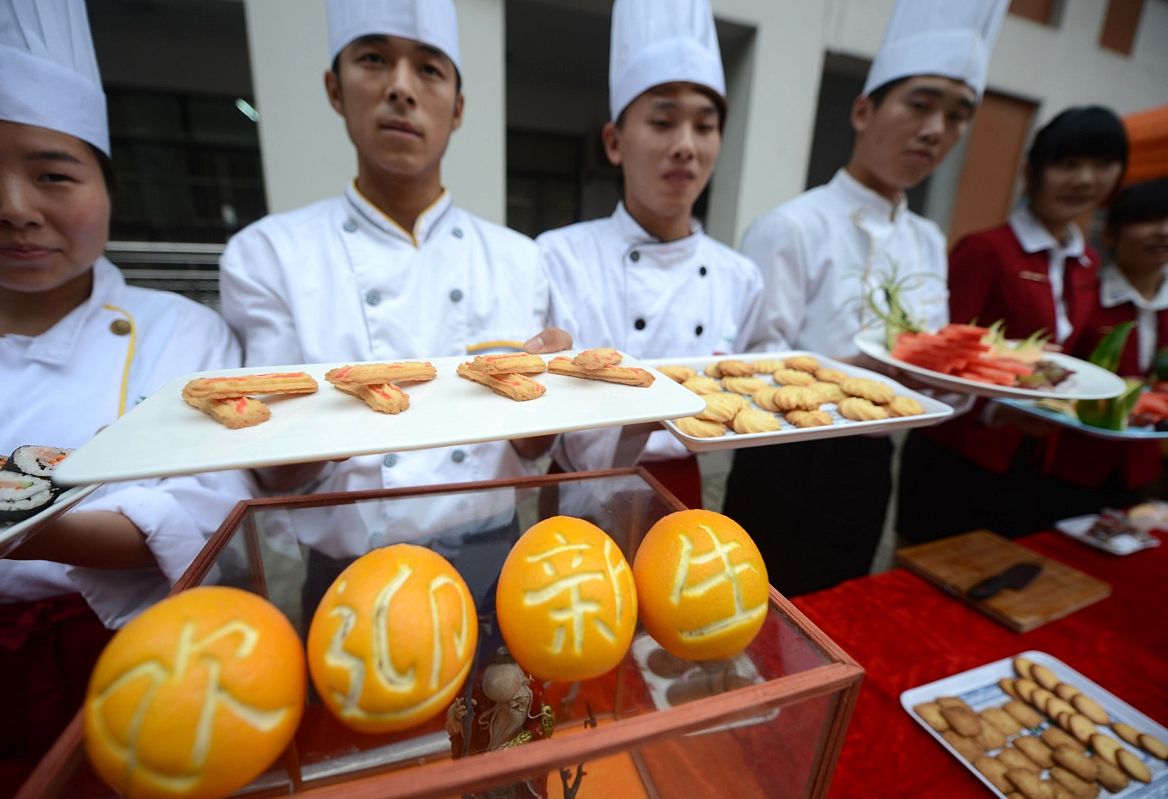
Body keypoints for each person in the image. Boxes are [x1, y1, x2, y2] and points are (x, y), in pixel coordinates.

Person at [0, 1, 246, 791]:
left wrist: (3, 526)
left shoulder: (179, 334)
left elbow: (204, 516)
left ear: (106, 188)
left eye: (53, 173)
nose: (14, 206)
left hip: (119, 654)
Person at [219, 0, 568, 601]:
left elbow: (532, 452)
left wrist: (551, 404)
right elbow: (271, 462)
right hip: (349, 573)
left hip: (497, 557)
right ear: (335, 88)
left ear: (459, 108)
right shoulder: (269, 255)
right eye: (374, 59)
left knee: (508, 699)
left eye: (429, 69)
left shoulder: (520, 258)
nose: (401, 89)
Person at [722, 0, 1008, 596]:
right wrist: (846, 377)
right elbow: (752, 361)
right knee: (756, 612)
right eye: (921, 105)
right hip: (785, 464)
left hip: (871, 465)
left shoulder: (928, 239)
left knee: (845, 602)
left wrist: (961, 378)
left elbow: (930, 360)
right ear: (863, 109)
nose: (937, 131)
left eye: (959, 115)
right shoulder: (792, 225)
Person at [538, 0, 763, 508]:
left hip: (680, 487)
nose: (686, 145)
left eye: (704, 127)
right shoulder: (556, 257)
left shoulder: (741, 277)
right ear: (615, 142)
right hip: (569, 487)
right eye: (663, 122)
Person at [897, 106, 1128, 542]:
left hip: (1034, 456)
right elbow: (937, 353)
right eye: (1068, 164)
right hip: (958, 453)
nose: (1084, 179)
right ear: (1032, 172)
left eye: (1101, 165)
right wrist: (995, 409)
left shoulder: (1088, 263)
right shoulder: (987, 250)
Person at [1043, 177, 1168, 515]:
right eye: (1148, 220)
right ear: (1111, 233)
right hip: (1068, 464)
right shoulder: (1083, 294)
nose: (1164, 231)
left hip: (1140, 468)